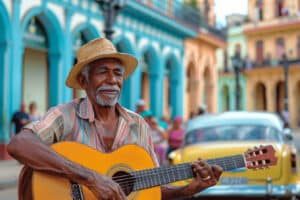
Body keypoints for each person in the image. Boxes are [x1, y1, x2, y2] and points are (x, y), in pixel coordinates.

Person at [8, 38, 222, 200]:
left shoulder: (138, 125)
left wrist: (187, 190)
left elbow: (148, 190)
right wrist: (90, 178)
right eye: (102, 72)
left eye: (118, 73)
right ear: (84, 81)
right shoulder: (65, 115)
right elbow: (20, 144)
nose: (112, 80)